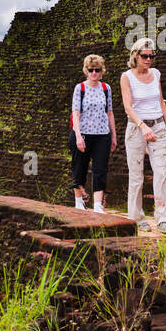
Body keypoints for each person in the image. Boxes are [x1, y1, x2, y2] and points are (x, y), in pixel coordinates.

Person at [120, 38, 166, 234]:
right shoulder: (127, 77)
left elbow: (161, 102)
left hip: (158, 126)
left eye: (152, 56)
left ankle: (162, 219)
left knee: (161, 174)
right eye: (145, 56)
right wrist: (143, 127)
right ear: (135, 55)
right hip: (137, 129)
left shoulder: (156, 74)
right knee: (137, 176)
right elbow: (128, 107)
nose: (149, 59)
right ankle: (137, 217)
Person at [69, 54, 117, 213]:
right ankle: (78, 201)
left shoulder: (106, 88)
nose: (94, 73)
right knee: (79, 167)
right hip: (83, 134)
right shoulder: (80, 88)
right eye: (91, 70)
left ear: (101, 71)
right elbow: (75, 113)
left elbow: (109, 113)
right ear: (86, 71)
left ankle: (97, 205)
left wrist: (114, 135)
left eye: (97, 70)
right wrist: (78, 136)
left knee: (100, 169)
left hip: (102, 134)